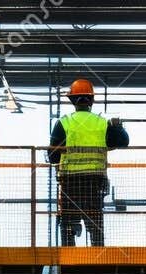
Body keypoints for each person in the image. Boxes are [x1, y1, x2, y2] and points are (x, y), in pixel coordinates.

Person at [47, 79, 129, 247]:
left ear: (72, 101)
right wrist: (118, 127)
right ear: (91, 100)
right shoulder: (102, 124)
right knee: (95, 223)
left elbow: (53, 156)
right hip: (94, 182)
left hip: (70, 183)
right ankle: (97, 257)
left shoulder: (63, 123)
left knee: (68, 222)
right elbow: (123, 142)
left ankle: (68, 256)